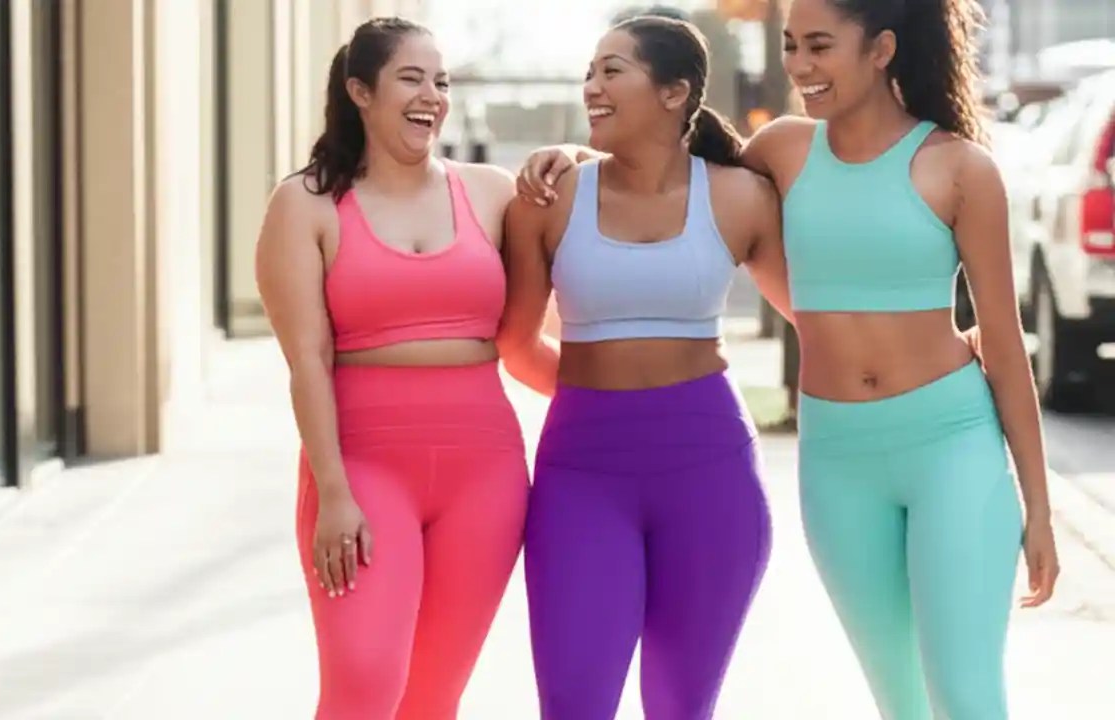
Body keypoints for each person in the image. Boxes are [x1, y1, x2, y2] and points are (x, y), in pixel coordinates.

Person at [519, 1, 1061, 717]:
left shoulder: (960, 167)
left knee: (964, 695)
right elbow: (668, 169)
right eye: (790, 46)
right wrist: (579, 158)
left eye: (819, 46)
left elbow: (1002, 342)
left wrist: (1040, 505)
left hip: (950, 437)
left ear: (882, 49)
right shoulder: (780, 152)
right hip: (838, 458)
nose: (800, 66)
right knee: (900, 700)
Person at [496, 16, 793, 720]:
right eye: (590, 72)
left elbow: (820, 320)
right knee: (573, 703)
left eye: (612, 70)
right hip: (582, 476)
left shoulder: (740, 196)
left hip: (711, 474)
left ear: (673, 92)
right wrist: (599, 404)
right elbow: (514, 343)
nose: (592, 86)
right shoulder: (548, 201)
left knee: (682, 706)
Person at [254, 18, 529, 720]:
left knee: (434, 695)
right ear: (359, 91)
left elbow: (548, 314)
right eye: (411, 77)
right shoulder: (306, 203)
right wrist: (333, 492)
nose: (432, 95)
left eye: (441, 81)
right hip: (363, 466)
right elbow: (307, 362)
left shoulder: (493, 194)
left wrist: (563, 157)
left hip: (487, 471)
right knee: (364, 681)